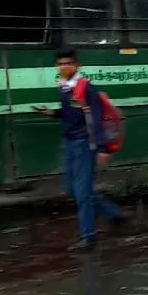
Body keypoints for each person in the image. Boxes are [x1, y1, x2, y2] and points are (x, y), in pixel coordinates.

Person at [36, 49, 126, 251]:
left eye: (68, 63)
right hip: (70, 142)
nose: (63, 66)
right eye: (60, 63)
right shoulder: (64, 87)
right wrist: (51, 113)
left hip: (85, 143)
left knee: (82, 191)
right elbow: (70, 114)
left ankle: (89, 237)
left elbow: (97, 119)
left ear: (77, 66)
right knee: (71, 188)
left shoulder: (86, 88)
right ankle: (114, 214)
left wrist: (103, 149)